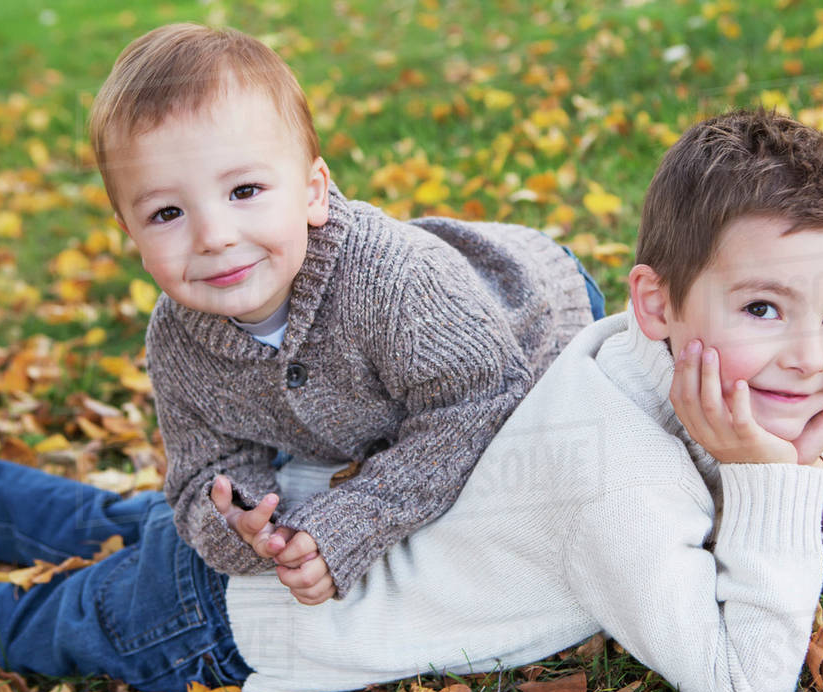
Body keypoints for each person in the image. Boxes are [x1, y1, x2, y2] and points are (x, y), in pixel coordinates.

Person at [0, 109, 823, 692]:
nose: (809, 354)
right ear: (657, 304)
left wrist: (795, 471)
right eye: (764, 307)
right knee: (24, 620)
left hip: (289, 517)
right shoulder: (616, 488)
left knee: (123, 525)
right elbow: (746, 680)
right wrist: (770, 477)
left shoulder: (657, 366)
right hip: (247, 619)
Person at [88, 23, 601, 604]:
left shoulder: (392, 283)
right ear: (129, 232)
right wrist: (245, 522)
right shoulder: (177, 341)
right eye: (167, 213)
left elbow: (478, 406)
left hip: (532, 318)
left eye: (244, 191)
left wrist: (353, 517)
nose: (213, 236)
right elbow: (205, 467)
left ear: (312, 192)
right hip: (416, 381)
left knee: (538, 472)